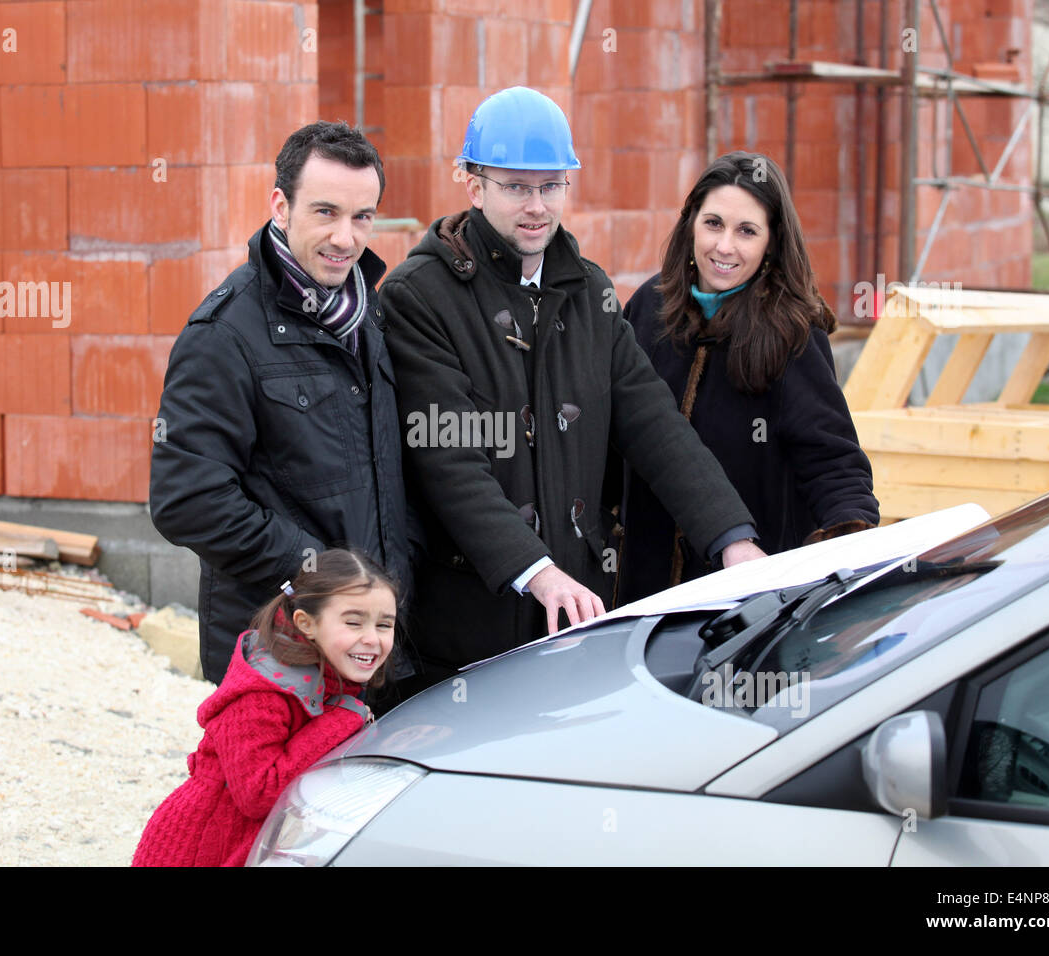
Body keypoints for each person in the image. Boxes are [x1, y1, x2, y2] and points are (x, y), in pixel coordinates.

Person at [379, 87, 766, 692]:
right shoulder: (420, 296)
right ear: (474, 185)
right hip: (467, 627)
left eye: (551, 185)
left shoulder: (587, 291)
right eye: (516, 186)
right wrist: (535, 570)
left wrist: (732, 538)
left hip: (573, 613)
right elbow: (447, 462)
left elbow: (656, 425)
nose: (536, 206)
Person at [149, 121, 410, 686]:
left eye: (362, 216)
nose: (346, 237)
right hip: (278, 653)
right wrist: (321, 574)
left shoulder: (369, 317)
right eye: (325, 212)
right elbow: (186, 501)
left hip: (365, 647)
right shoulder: (223, 334)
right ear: (280, 206)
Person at [615, 151, 879, 604]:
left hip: (750, 597)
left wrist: (845, 552)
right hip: (646, 591)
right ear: (690, 224)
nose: (724, 246)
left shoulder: (792, 332)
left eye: (747, 231)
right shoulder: (649, 308)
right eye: (713, 223)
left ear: (772, 243)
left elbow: (832, 461)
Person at [132, 549, 396, 867]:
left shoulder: (332, 676)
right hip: (197, 850)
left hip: (252, 846)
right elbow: (257, 792)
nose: (371, 638)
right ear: (306, 624)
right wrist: (342, 717)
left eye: (384, 625)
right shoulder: (259, 693)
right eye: (353, 622)